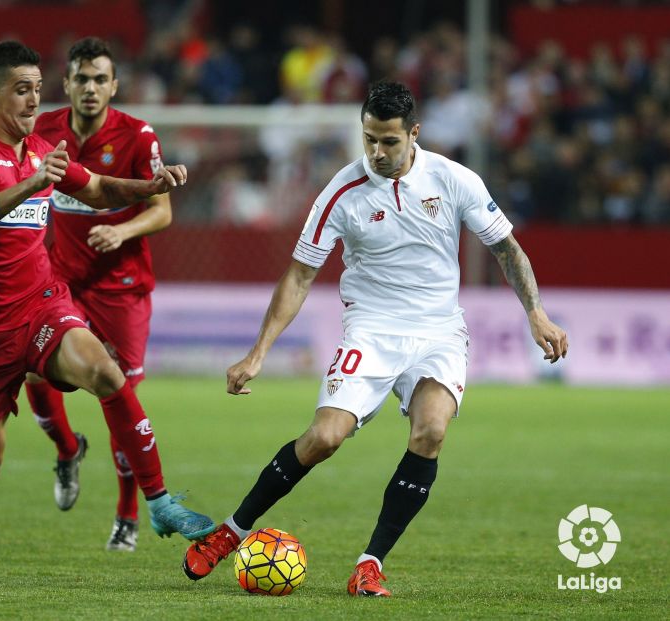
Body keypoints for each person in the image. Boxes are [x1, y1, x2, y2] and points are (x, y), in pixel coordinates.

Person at [181, 81, 568, 596]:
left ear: (414, 133)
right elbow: (298, 276)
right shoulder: (341, 192)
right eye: (369, 140)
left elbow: (507, 249)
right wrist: (259, 352)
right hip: (370, 327)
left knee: (431, 431)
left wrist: (536, 314)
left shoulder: (454, 180)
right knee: (324, 438)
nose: (377, 153)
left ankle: (370, 564)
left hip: (437, 331)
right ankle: (232, 531)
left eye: (388, 142)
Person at [0, 40, 214, 571]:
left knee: (107, 375)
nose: (33, 101)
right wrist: (31, 184)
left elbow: (102, 189)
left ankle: (158, 504)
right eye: (21, 90)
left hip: (41, 305)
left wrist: (150, 185)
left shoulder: (41, 148)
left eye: (37, 89)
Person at [25, 37, 171, 552]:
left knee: (119, 395)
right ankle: (67, 449)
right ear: (65, 85)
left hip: (122, 288)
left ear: (114, 85)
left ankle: (127, 516)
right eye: (81, 79)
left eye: (100, 79)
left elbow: (163, 210)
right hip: (62, 280)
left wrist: (123, 232)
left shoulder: (136, 135)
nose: (90, 88)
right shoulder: (43, 130)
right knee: (32, 370)